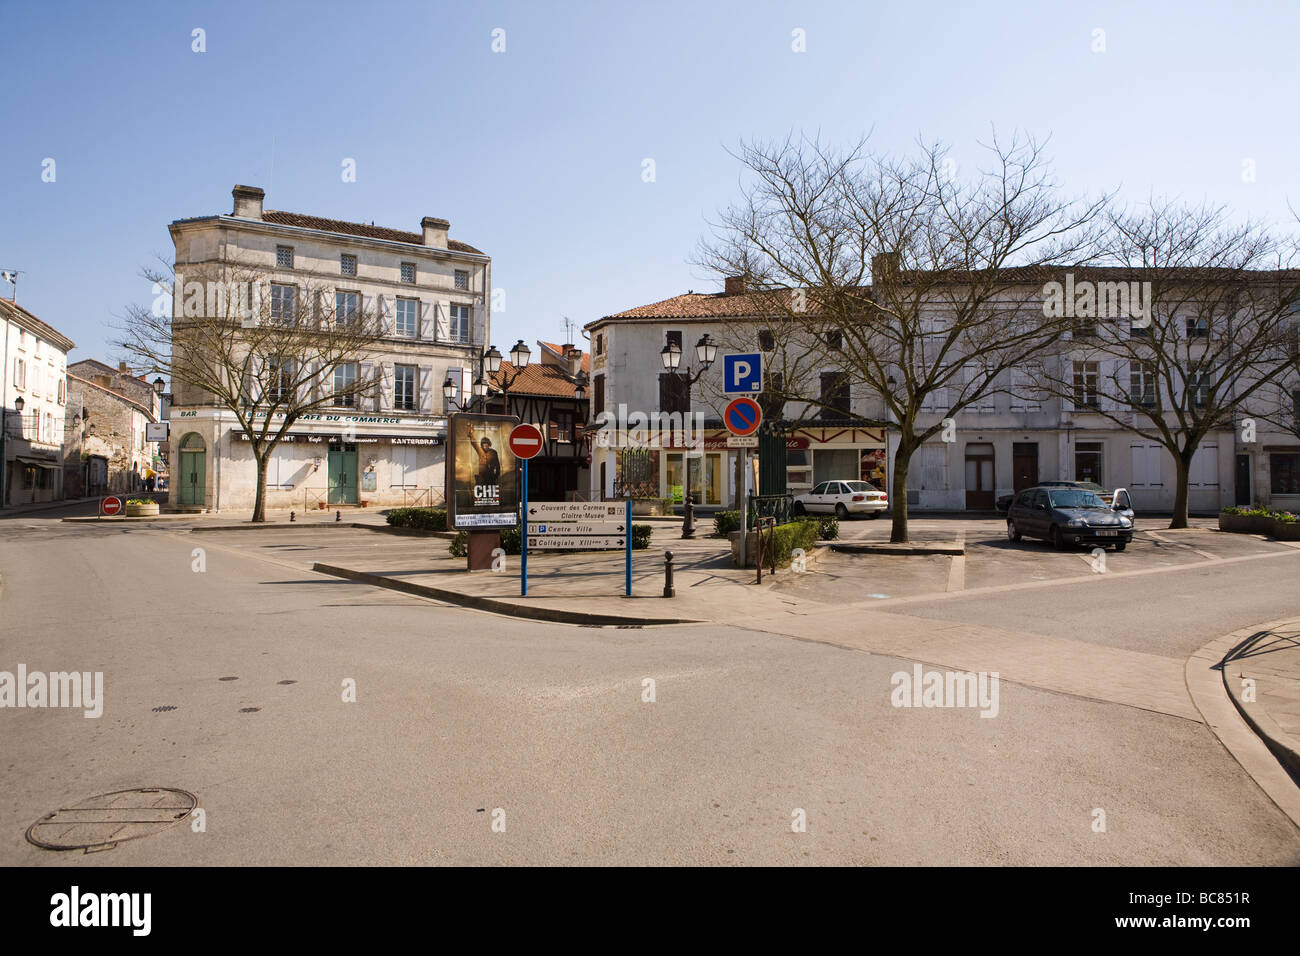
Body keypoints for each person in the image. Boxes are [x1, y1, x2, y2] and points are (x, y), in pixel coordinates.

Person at [465, 422, 500, 487]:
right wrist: (471, 434)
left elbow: (498, 466)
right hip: (482, 478)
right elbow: (474, 443)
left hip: (491, 476)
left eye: (486, 445)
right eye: (483, 445)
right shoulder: (480, 451)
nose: (485, 447)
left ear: (489, 445)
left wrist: (496, 476)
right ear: (482, 445)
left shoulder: (494, 452)